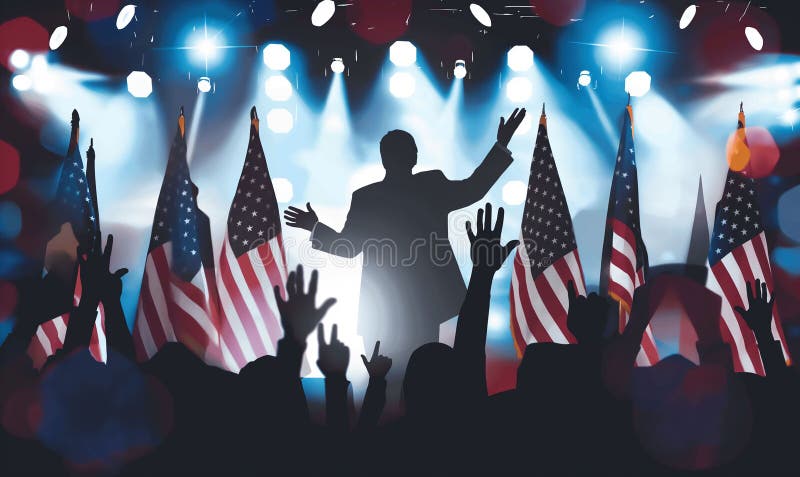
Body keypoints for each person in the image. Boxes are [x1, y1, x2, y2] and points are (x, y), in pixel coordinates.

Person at [283, 109, 527, 379]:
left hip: (388, 307)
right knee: (422, 380)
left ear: (384, 159)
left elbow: (347, 247)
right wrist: (501, 145)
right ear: (413, 157)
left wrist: (314, 227)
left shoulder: (367, 197)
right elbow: (474, 188)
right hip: (418, 305)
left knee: (387, 382)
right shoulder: (429, 185)